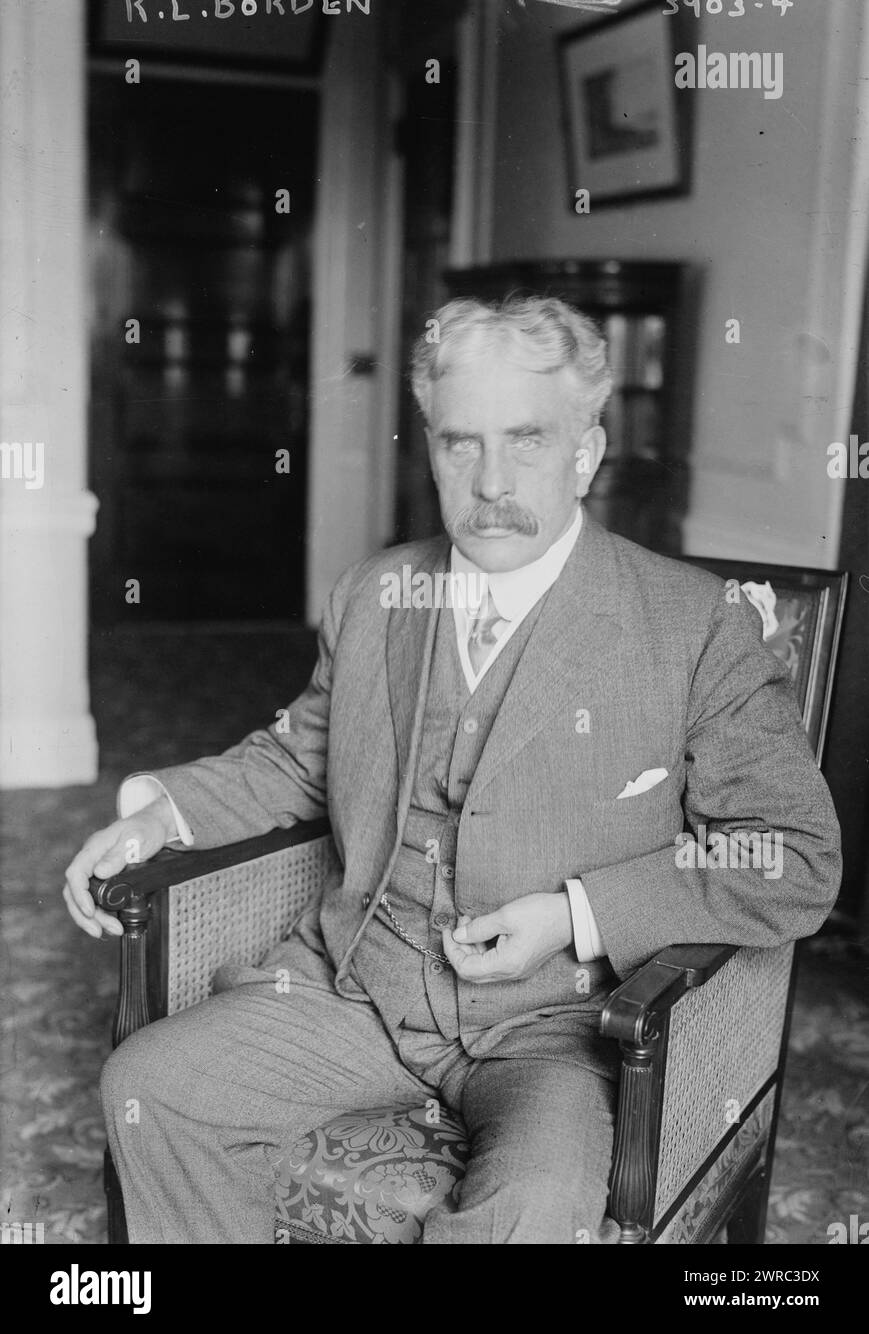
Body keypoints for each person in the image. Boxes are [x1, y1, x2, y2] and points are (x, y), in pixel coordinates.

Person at [63, 295, 842, 1244]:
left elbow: (794, 856)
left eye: (527, 440)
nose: (491, 481)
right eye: (459, 443)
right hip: (359, 985)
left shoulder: (693, 624)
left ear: (586, 452)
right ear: (429, 449)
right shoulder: (374, 595)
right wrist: (158, 814)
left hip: (557, 1026)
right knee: (154, 1087)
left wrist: (574, 914)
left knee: (526, 1211)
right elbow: (302, 756)